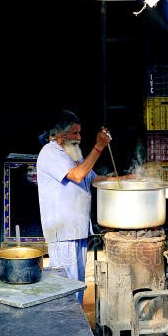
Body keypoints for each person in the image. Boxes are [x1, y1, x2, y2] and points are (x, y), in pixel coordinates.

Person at [36, 110, 129, 297]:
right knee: (66, 289)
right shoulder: (50, 152)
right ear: (59, 134)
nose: (79, 138)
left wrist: (127, 179)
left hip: (77, 230)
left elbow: (94, 180)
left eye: (79, 133)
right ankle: (65, 325)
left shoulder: (73, 155)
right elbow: (78, 175)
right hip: (63, 233)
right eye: (74, 133)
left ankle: (74, 324)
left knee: (77, 286)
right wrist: (98, 147)